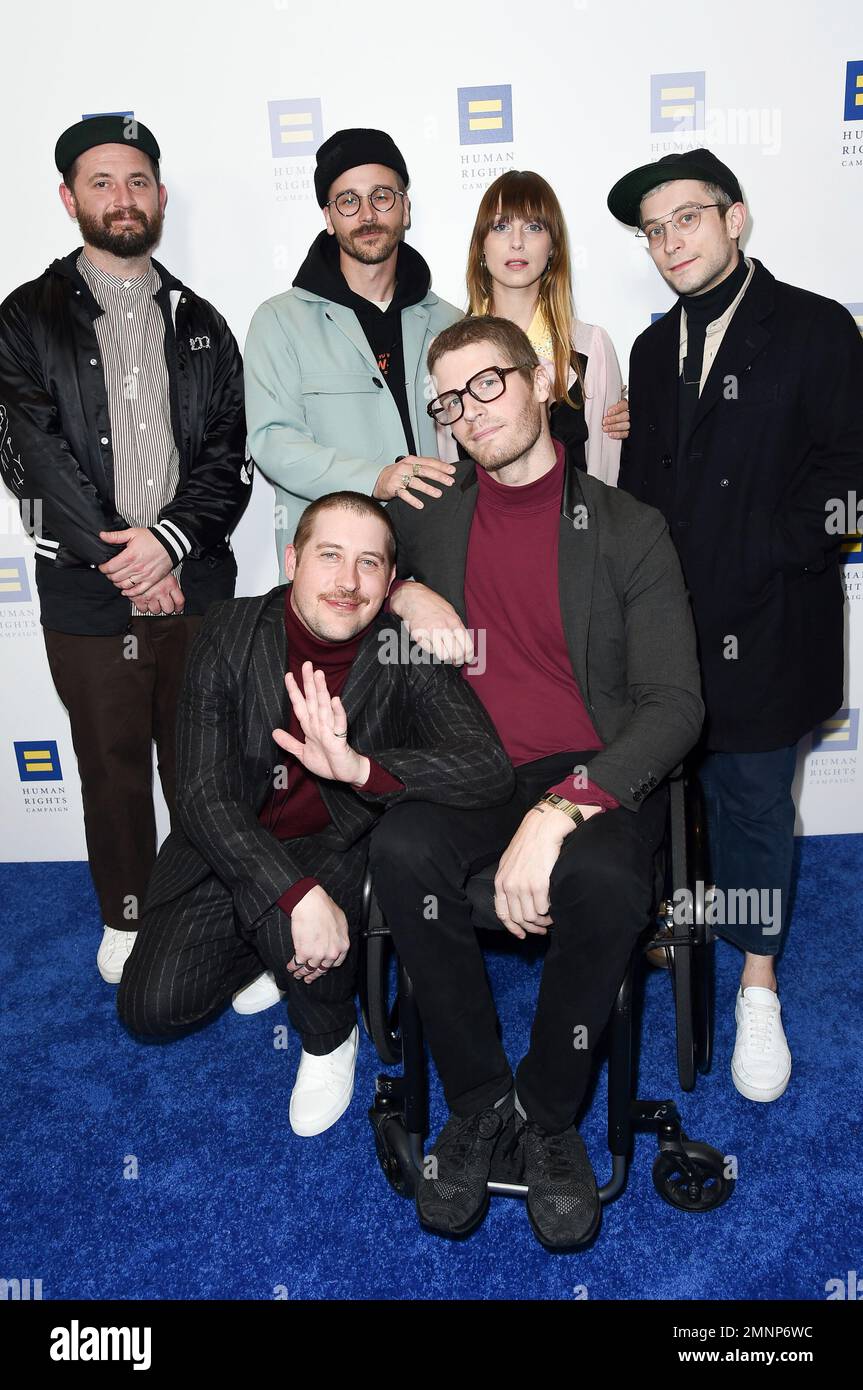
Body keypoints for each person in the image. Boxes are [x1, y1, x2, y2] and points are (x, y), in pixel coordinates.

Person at [370, 316, 704, 1249]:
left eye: (488, 384)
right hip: (473, 763)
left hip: (589, 764)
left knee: (602, 876)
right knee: (400, 848)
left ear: (539, 382)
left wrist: (561, 810)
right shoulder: (428, 518)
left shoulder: (628, 528)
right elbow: (344, 566)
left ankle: (548, 1115)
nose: (470, 412)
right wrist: (402, 590)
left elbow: (675, 705)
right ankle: (479, 1100)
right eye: (449, 400)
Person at [118, 492, 513, 1138]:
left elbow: (487, 768)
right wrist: (292, 896)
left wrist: (360, 770)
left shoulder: (402, 650)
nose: (347, 581)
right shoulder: (228, 630)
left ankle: (331, 1038)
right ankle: (271, 946)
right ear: (292, 560)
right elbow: (201, 793)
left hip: (334, 843)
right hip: (230, 842)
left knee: (300, 936)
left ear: (390, 580)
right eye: (329, 556)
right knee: (151, 1008)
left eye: (368, 563)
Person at [607, 148, 863, 1103]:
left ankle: (758, 981)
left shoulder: (815, 326)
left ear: (734, 218)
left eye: (687, 217)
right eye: (654, 229)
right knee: (675, 797)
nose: (670, 240)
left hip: (769, 620)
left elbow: (852, 479)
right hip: (668, 629)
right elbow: (643, 494)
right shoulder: (649, 350)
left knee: (754, 802)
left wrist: (762, 549)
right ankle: (684, 921)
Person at [0, 116, 250, 985]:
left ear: (161, 196)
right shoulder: (24, 317)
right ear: (68, 198)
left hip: (194, 585)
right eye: (101, 182)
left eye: (138, 180)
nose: (122, 197)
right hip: (87, 589)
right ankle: (128, 915)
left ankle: (213, 912)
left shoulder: (202, 321)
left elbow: (227, 455)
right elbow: (31, 457)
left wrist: (169, 547)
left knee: (203, 768)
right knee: (110, 765)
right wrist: (128, 562)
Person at [244, 127, 461, 570]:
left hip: (436, 558)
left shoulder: (450, 323)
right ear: (329, 218)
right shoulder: (280, 321)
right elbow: (272, 443)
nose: (367, 214)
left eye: (382, 196)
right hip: (332, 571)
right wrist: (375, 478)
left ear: (405, 208)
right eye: (348, 200)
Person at [465, 169, 629, 483]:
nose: (517, 242)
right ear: (481, 245)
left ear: (553, 246)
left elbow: (604, 482)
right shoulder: (451, 352)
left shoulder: (589, 346)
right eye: (501, 226)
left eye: (533, 227)